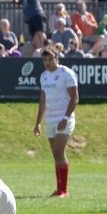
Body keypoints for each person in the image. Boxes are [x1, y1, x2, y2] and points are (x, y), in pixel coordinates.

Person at [34, 47, 78, 197]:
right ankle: (59, 188)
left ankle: (64, 190)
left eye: (50, 59)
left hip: (64, 118)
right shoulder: (44, 76)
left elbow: (75, 98)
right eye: (45, 60)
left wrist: (65, 118)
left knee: (59, 152)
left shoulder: (66, 74)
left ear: (57, 58)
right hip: (51, 119)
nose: (47, 62)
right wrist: (38, 123)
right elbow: (43, 100)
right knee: (55, 154)